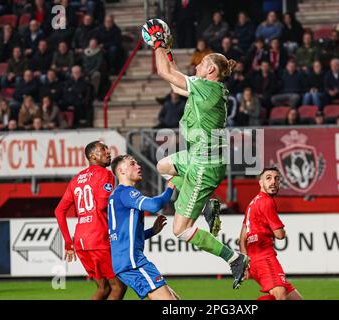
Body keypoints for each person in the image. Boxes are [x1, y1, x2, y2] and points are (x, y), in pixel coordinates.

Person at [144, 19, 250, 289]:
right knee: (163, 165)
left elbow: (165, 73)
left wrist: (158, 43)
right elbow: (174, 83)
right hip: (196, 156)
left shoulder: (207, 87)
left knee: (180, 230)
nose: (197, 66)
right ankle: (206, 205)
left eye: (201, 64)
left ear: (211, 69)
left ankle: (234, 258)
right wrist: (166, 50)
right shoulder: (207, 88)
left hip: (203, 165)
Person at [54, 141, 127, 300]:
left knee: (104, 288)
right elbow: (102, 204)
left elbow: (59, 210)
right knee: (119, 286)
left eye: (108, 148)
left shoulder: (76, 179)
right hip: (99, 238)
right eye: (103, 149)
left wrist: (68, 242)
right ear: (92, 155)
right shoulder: (105, 174)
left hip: (81, 241)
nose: (108, 151)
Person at [108, 155, 180, 300]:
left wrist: (152, 231)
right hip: (133, 263)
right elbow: (155, 205)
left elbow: (124, 235)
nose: (138, 166)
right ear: (121, 170)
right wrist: (171, 186)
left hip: (128, 262)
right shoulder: (126, 192)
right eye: (132, 163)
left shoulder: (117, 195)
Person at [239, 167, 303, 300]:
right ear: (260, 183)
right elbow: (279, 234)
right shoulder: (266, 202)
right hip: (265, 259)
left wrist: (245, 261)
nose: (273, 181)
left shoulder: (252, 203)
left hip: (254, 261)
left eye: (276, 178)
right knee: (281, 297)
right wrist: (282, 231)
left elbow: (242, 237)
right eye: (268, 178)